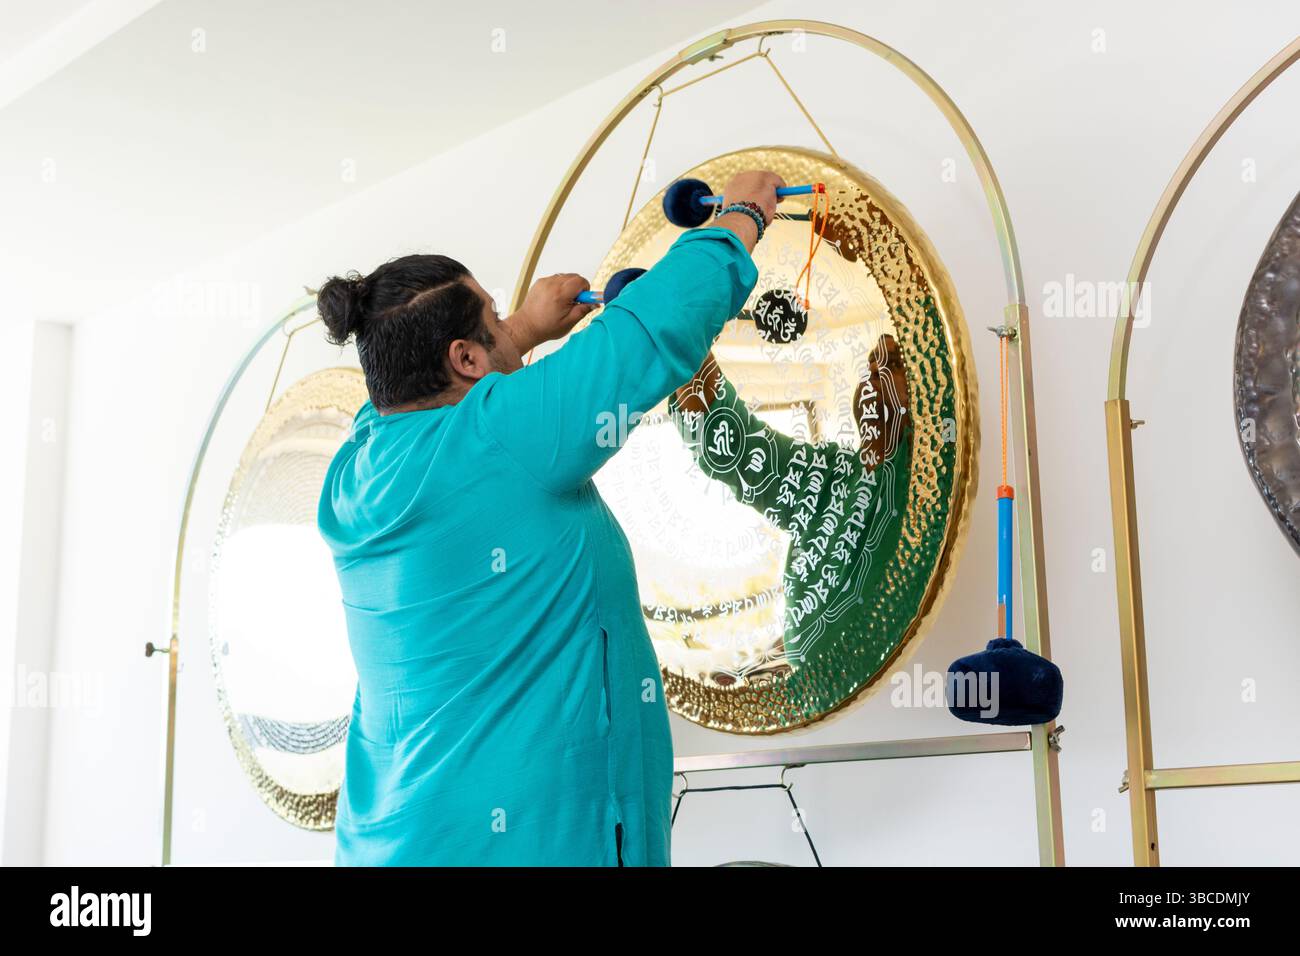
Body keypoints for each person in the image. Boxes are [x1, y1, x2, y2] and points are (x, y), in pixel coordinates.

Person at [315, 170, 785, 865]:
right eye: (494, 316)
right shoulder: (499, 437)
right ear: (466, 359)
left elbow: (414, 392)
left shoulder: (355, 465)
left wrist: (523, 331)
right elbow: (646, 334)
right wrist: (741, 215)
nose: (510, 324)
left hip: (391, 843)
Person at [669, 333, 912, 678]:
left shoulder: (925, 480)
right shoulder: (830, 472)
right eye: (870, 363)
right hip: (820, 705)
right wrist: (680, 321)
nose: (875, 372)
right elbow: (727, 441)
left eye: (894, 364)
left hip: (893, 689)